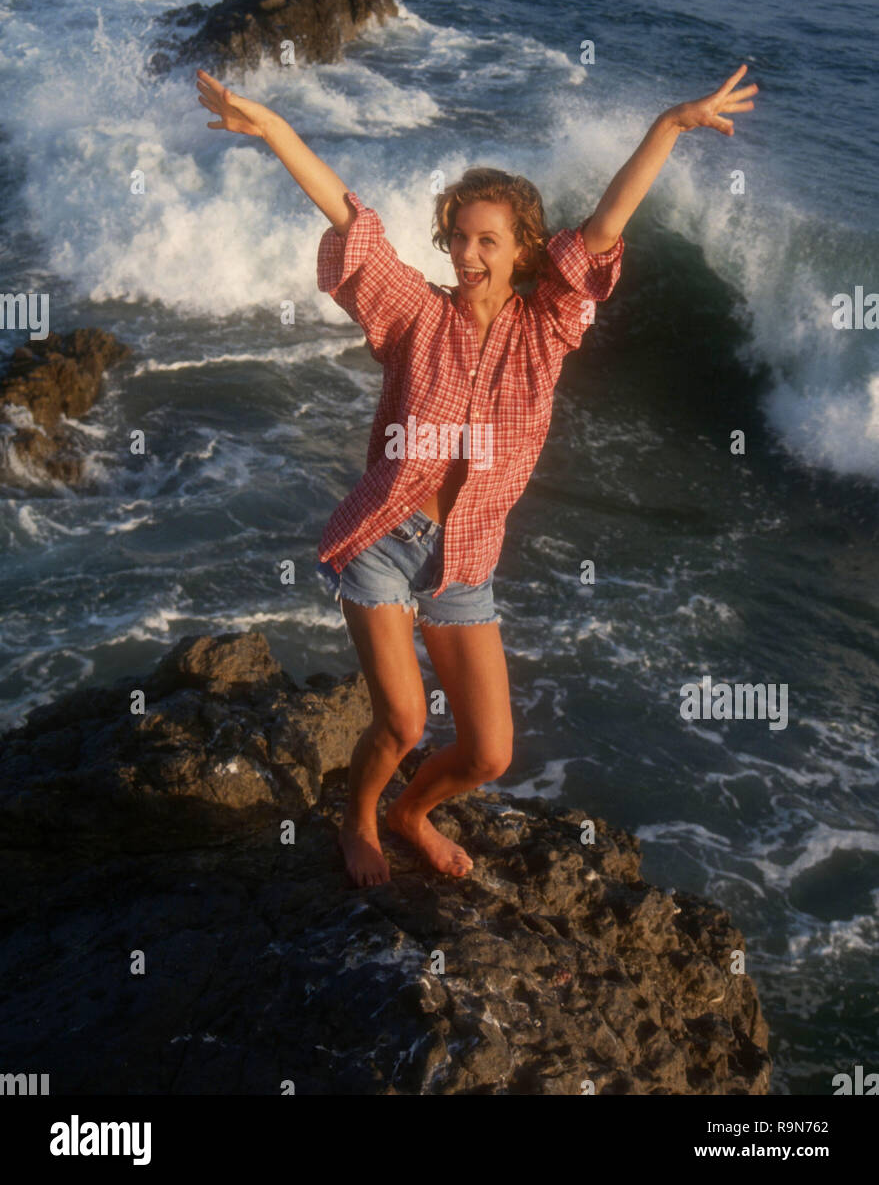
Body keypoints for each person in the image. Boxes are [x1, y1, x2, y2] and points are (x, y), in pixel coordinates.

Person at [196, 62, 758, 887]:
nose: (466, 254)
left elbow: (601, 230)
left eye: (485, 240)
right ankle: (357, 820)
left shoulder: (548, 328)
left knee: (488, 751)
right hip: (384, 538)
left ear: (524, 248)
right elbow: (353, 219)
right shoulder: (415, 314)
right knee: (399, 720)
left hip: (463, 559)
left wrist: (670, 125)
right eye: (457, 237)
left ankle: (407, 813)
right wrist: (276, 130)